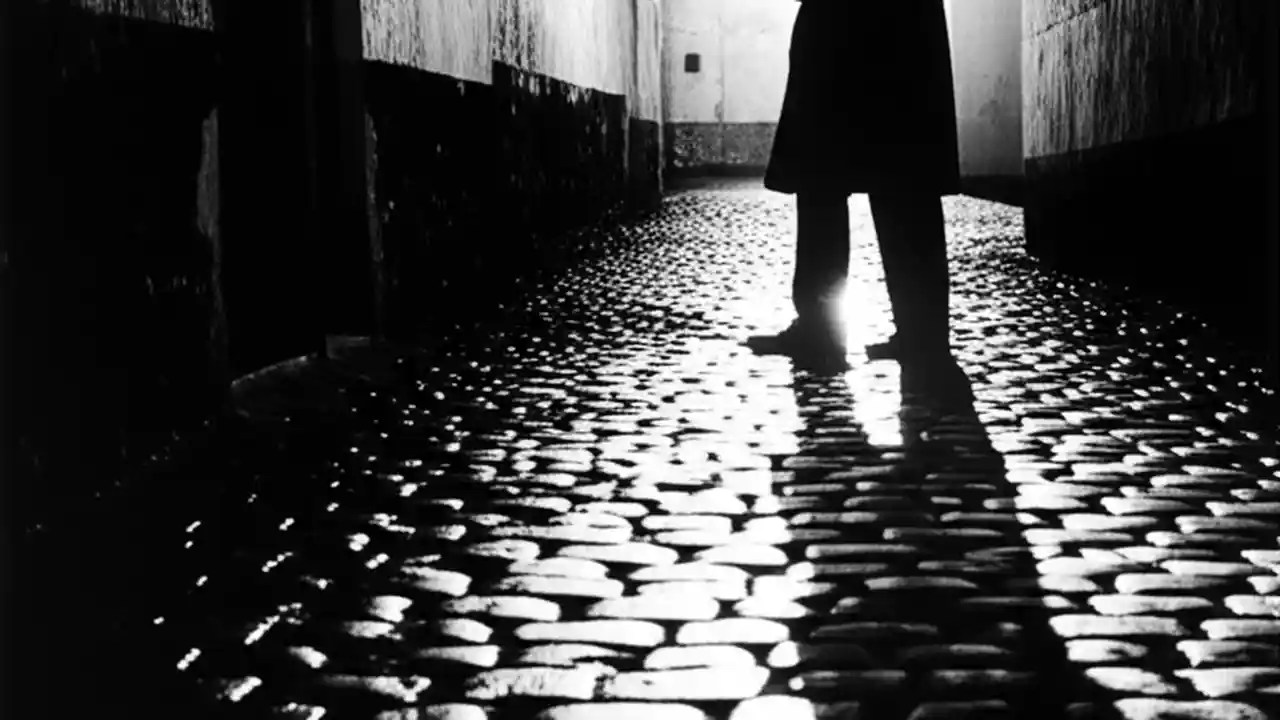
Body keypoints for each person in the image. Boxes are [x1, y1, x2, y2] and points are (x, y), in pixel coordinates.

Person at [747, 0, 961, 371]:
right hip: (904, 28)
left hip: (836, 27)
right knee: (904, 179)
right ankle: (922, 333)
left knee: (822, 179)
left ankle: (821, 329)